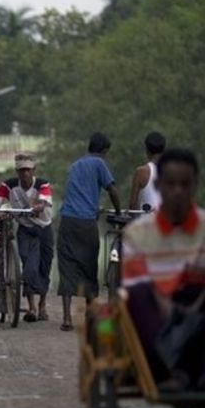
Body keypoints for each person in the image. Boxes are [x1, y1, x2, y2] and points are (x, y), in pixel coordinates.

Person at [122, 148, 205, 392]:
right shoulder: (137, 234)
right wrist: (169, 307)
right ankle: (171, 373)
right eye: (171, 183)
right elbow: (136, 288)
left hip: (201, 318)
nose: (178, 191)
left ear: (195, 185)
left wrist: (192, 306)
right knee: (138, 294)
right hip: (157, 322)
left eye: (185, 184)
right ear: (158, 185)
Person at [57, 133, 121, 331]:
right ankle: (90, 317)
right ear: (103, 151)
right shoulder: (99, 163)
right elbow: (112, 190)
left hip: (67, 220)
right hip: (86, 223)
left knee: (67, 268)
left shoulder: (75, 165)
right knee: (88, 267)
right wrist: (119, 213)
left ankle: (67, 318)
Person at [0, 154, 54, 321]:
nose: (24, 174)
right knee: (28, 265)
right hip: (25, 229)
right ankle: (31, 306)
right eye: (21, 170)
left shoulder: (42, 184)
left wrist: (38, 206)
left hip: (44, 228)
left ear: (33, 171)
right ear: (17, 172)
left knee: (44, 267)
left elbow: (44, 201)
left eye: (27, 170)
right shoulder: (10, 185)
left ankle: (42, 305)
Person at [129, 132, 166, 211]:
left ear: (147, 150)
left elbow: (132, 204)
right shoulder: (171, 172)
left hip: (148, 221)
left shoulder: (141, 172)